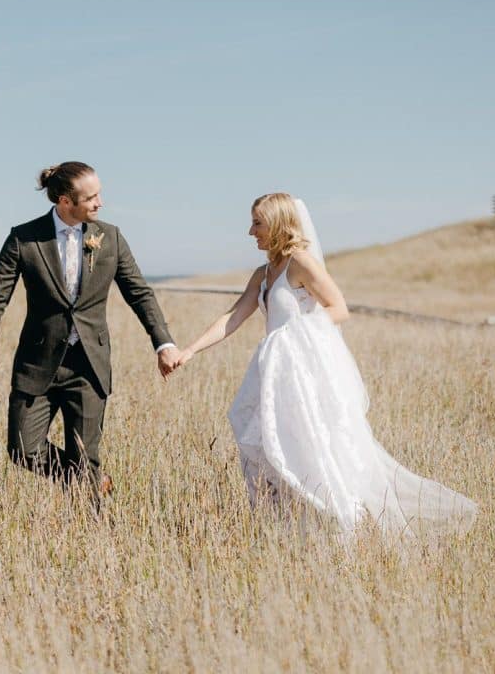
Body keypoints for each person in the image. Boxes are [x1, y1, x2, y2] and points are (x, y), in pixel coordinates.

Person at [173, 193, 476, 535]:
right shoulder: (263, 274)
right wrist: (190, 350)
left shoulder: (300, 263)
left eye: (258, 223)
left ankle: (341, 523)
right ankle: (285, 527)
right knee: (269, 444)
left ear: (278, 224)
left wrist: (295, 334)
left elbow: (339, 308)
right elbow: (233, 316)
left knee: (311, 448)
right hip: (273, 374)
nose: (250, 231)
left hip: (303, 373)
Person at [0, 161, 180, 500]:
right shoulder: (24, 238)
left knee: (85, 458)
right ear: (65, 201)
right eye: (91, 197)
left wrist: (163, 343)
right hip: (37, 364)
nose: (100, 203)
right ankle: (89, 482)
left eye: (99, 194)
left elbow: (139, 293)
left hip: (89, 366)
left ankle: (93, 517)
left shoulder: (110, 237)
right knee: (22, 449)